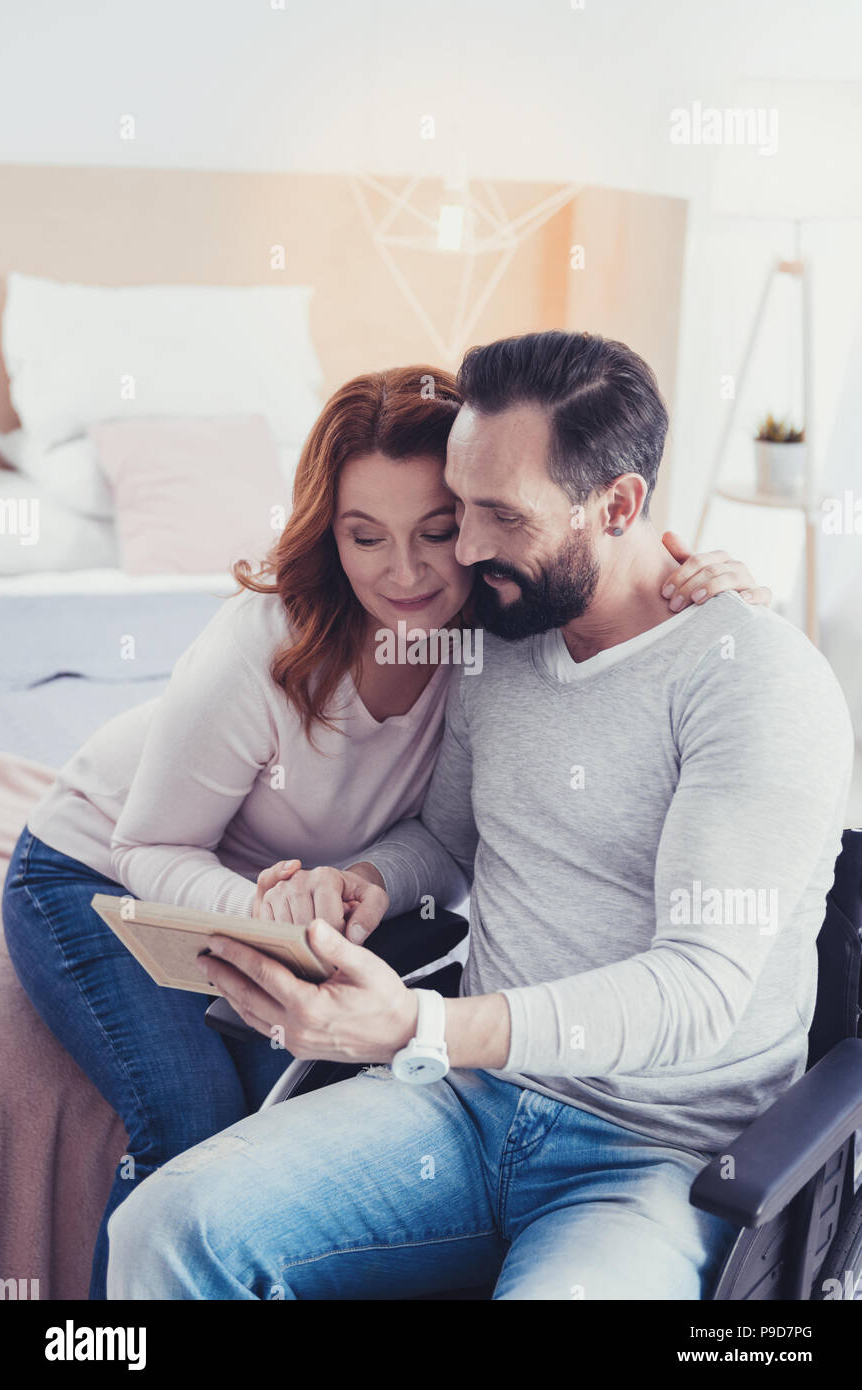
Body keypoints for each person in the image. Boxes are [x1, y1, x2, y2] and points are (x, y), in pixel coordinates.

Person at [105, 330, 853, 1302]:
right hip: (464, 1111)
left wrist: (421, 1023)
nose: (461, 549)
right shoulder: (497, 646)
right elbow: (446, 840)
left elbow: (700, 988)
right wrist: (363, 879)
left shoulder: (755, 682)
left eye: (497, 515)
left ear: (620, 504)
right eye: (462, 506)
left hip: (652, 1157)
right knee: (163, 1230)